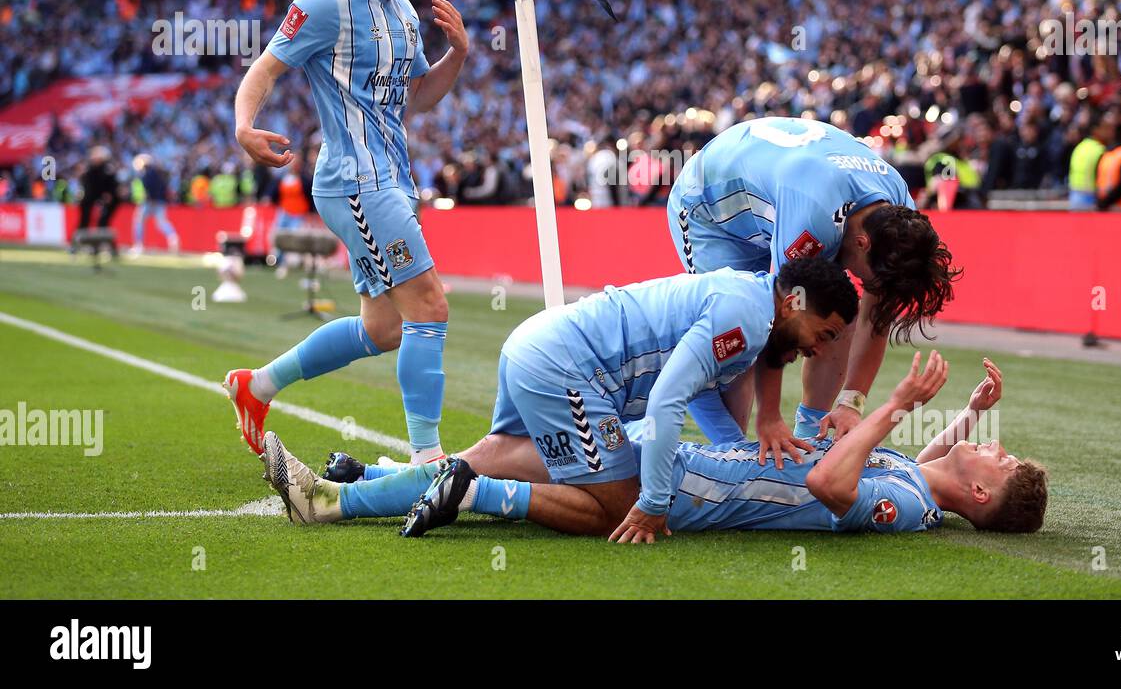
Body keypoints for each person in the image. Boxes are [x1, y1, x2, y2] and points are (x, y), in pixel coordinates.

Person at [262, 257, 859, 540]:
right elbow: (666, 405)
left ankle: (335, 498)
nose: (817, 350)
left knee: (494, 452)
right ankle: (476, 495)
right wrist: (651, 501)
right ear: (796, 302)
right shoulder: (748, 319)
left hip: (539, 346)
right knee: (613, 506)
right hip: (568, 371)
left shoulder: (747, 301)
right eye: (824, 335)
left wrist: (765, 427)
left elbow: (699, 390)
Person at [261, 353, 1047, 539]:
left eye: (998, 463)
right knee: (510, 445)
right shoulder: (921, 477)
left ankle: (337, 500)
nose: (994, 450)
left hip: (704, 489)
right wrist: (967, 416)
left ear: (979, 497)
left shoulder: (906, 510)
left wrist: (895, 406)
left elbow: (834, 487)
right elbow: (928, 461)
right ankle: (373, 479)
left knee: (505, 462)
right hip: (699, 460)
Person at [225, 0, 470, 465]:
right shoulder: (326, 3)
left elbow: (416, 99)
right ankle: (428, 460)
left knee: (384, 328)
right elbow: (266, 66)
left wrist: (456, 55)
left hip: (393, 182)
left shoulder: (406, 14)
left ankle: (256, 387)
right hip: (356, 182)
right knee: (429, 306)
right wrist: (244, 126)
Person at [665, 116, 959, 466]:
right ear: (862, 243)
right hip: (710, 210)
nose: (876, 291)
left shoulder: (898, 213)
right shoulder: (812, 221)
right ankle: (730, 456)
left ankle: (811, 439)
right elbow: (777, 320)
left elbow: (875, 316)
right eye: (877, 281)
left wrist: (851, 403)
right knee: (738, 331)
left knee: (837, 316)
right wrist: (769, 416)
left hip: (781, 193)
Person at [128, 154, 179, 256]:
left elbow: (149, 188)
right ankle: (173, 237)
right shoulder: (158, 173)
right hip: (159, 201)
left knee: (139, 222)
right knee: (161, 223)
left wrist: (150, 198)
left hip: (150, 202)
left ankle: (138, 245)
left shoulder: (147, 174)